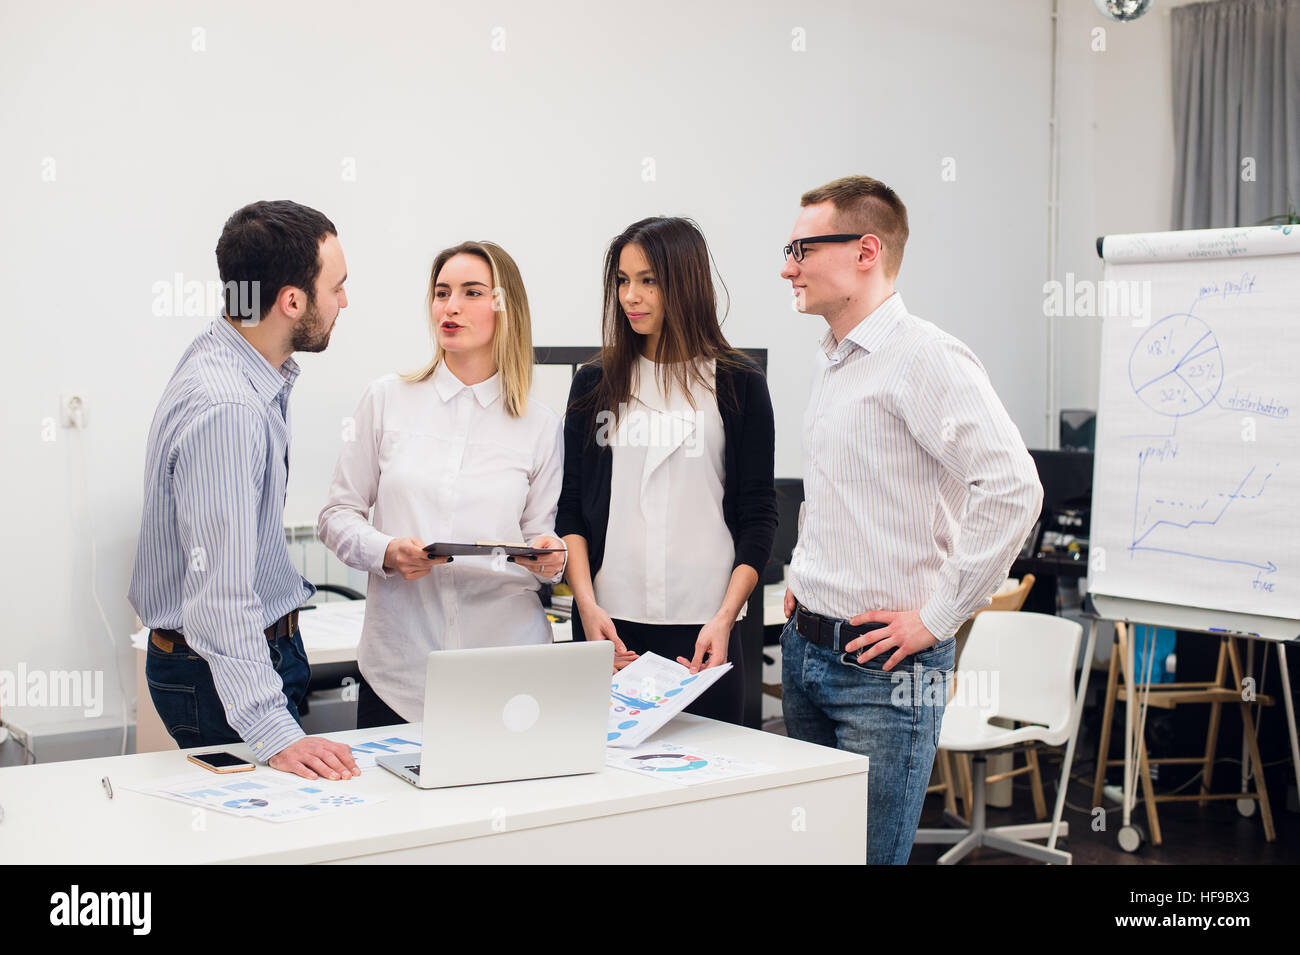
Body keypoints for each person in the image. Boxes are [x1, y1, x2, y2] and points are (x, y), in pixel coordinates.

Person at [777, 175, 1042, 864]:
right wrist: (806, 573)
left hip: (884, 673)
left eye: (802, 248)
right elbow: (845, 490)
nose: (787, 266)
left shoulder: (926, 358)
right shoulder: (833, 360)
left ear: (866, 250)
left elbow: (1013, 489)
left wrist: (937, 617)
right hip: (807, 651)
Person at [128, 200, 360, 782]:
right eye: (337, 287)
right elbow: (219, 594)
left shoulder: (233, 359)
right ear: (291, 301)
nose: (344, 303)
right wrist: (271, 728)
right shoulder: (229, 407)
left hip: (234, 662)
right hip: (220, 675)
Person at [318, 241, 566, 728]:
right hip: (399, 671)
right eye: (441, 292)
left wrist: (549, 556)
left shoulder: (539, 424)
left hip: (508, 669)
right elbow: (336, 516)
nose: (450, 307)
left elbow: (542, 541)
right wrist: (387, 550)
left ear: (504, 306)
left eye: (472, 292)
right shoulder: (387, 399)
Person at [557, 217, 777, 725]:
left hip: (705, 631)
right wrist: (586, 607)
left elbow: (758, 515)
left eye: (648, 280)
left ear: (685, 282)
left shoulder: (738, 383)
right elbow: (569, 508)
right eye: (622, 281)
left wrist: (726, 617)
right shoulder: (594, 383)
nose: (630, 296)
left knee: (706, 781)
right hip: (608, 626)